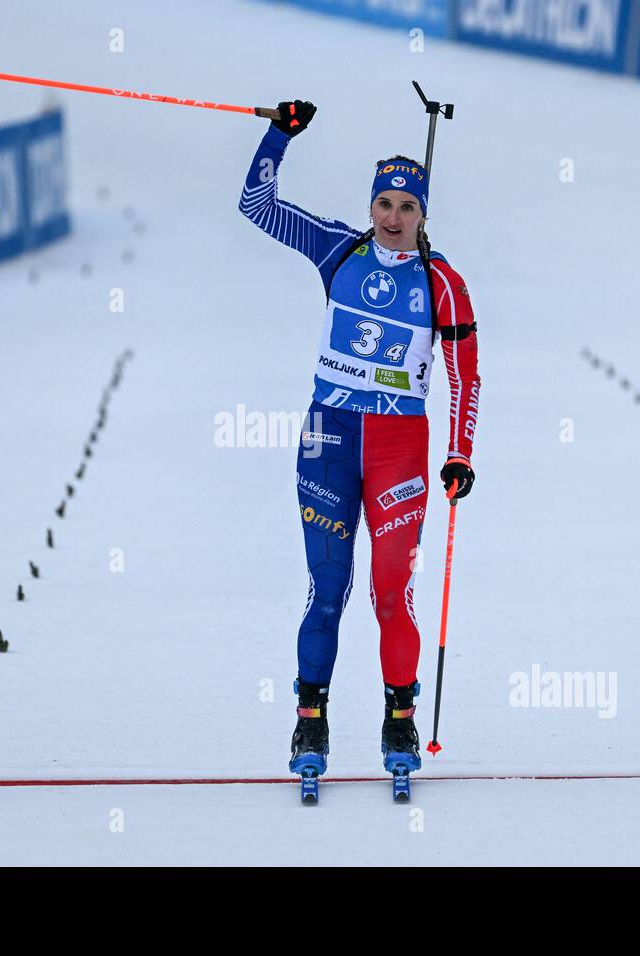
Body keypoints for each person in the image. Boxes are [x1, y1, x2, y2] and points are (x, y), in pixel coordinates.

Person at [238, 99, 481, 778]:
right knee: (326, 587)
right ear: (371, 205)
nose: (394, 217)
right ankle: (309, 722)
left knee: (391, 589)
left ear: (424, 213)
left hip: (400, 445)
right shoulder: (339, 249)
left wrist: (460, 454)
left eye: (407, 205)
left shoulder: (445, 286)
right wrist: (278, 135)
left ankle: (399, 723)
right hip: (329, 436)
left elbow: (465, 377)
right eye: (385, 203)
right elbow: (257, 206)